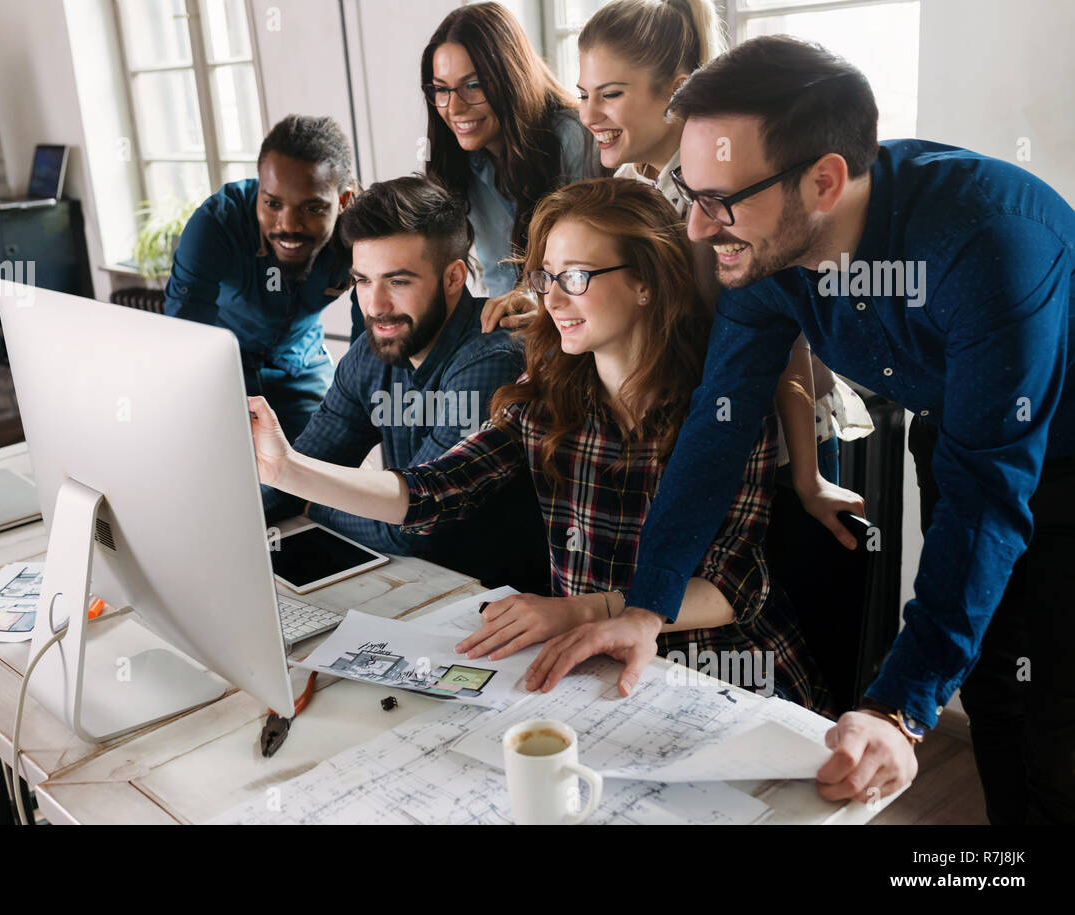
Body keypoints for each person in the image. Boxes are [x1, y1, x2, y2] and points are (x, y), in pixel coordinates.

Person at [525, 35, 1075, 823]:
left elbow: (990, 496)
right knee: (993, 680)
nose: (695, 229)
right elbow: (718, 427)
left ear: (823, 180)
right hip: (960, 428)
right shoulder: (762, 251)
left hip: (1057, 454)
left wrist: (898, 711)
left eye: (721, 200)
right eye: (691, 190)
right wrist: (646, 605)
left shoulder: (989, 244)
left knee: (1053, 708)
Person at [251, 178, 834, 715]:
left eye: (576, 276)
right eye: (546, 277)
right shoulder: (546, 400)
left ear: (645, 282)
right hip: (585, 665)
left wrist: (582, 609)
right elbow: (432, 492)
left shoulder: (723, 411)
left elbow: (734, 589)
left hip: (717, 672)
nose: (553, 301)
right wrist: (289, 469)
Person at [484, 0, 872, 543]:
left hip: (781, 431)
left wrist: (809, 480)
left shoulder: (718, 191)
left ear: (675, 89)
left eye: (611, 94)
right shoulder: (633, 182)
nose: (589, 114)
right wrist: (557, 295)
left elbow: (783, 343)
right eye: (583, 94)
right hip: (703, 417)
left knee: (762, 596)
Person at [262, 175, 548, 593]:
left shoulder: (490, 360)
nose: (375, 306)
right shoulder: (371, 352)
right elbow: (300, 466)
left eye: (397, 282)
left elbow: (412, 526)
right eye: (363, 280)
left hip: (496, 601)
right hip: (412, 584)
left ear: (453, 278)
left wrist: (309, 498)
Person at [165, 114, 357, 442]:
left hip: (302, 363)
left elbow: (372, 342)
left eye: (312, 208)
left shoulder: (364, 233)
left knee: (328, 465)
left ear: (342, 202)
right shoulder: (215, 225)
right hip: (223, 370)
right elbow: (184, 334)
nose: (288, 225)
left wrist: (353, 421)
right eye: (272, 204)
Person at [419, 2, 600, 299]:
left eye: (473, 85)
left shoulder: (573, 138)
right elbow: (498, 281)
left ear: (511, 79)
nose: (453, 108)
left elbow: (585, 273)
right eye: (441, 89)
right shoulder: (463, 157)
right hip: (515, 331)